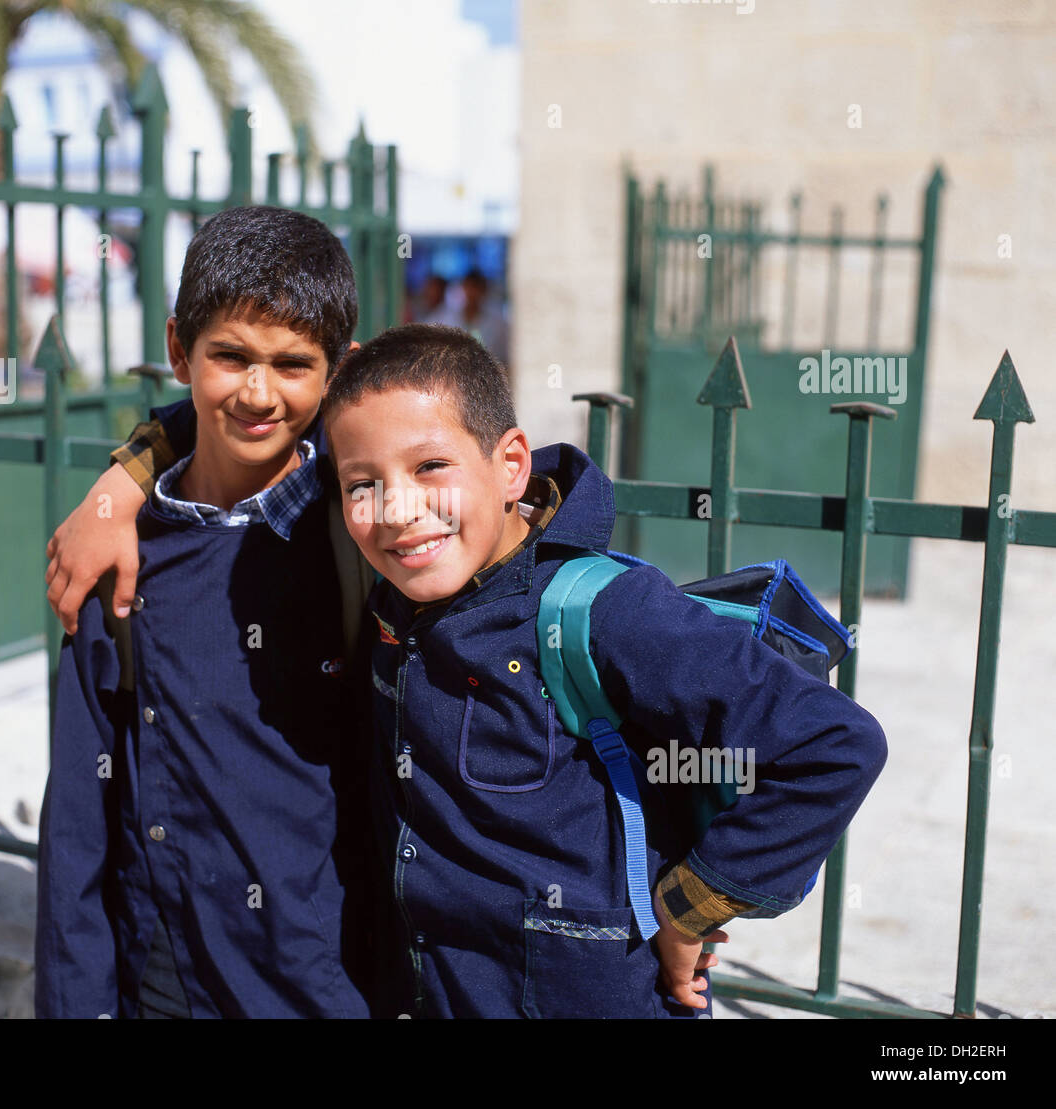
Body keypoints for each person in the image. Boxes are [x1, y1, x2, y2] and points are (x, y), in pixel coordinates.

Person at [310, 324, 887, 1018]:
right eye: (363, 484)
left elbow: (836, 744)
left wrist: (687, 909)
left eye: (431, 466)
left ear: (512, 466)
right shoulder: (395, 605)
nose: (398, 510)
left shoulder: (605, 611)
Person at [35, 205, 376, 1019]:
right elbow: (78, 817)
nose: (259, 392)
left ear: (338, 370)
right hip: (171, 973)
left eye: (293, 364)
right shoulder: (120, 553)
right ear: (178, 351)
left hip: (329, 974)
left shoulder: (370, 532)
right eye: (230, 356)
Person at [435, 267, 509, 364]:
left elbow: (504, 357)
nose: (472, 293)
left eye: (476, 289)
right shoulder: (448, 319)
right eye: (468, 288)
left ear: (483, 291)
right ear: (463, 288)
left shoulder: (497, 323)